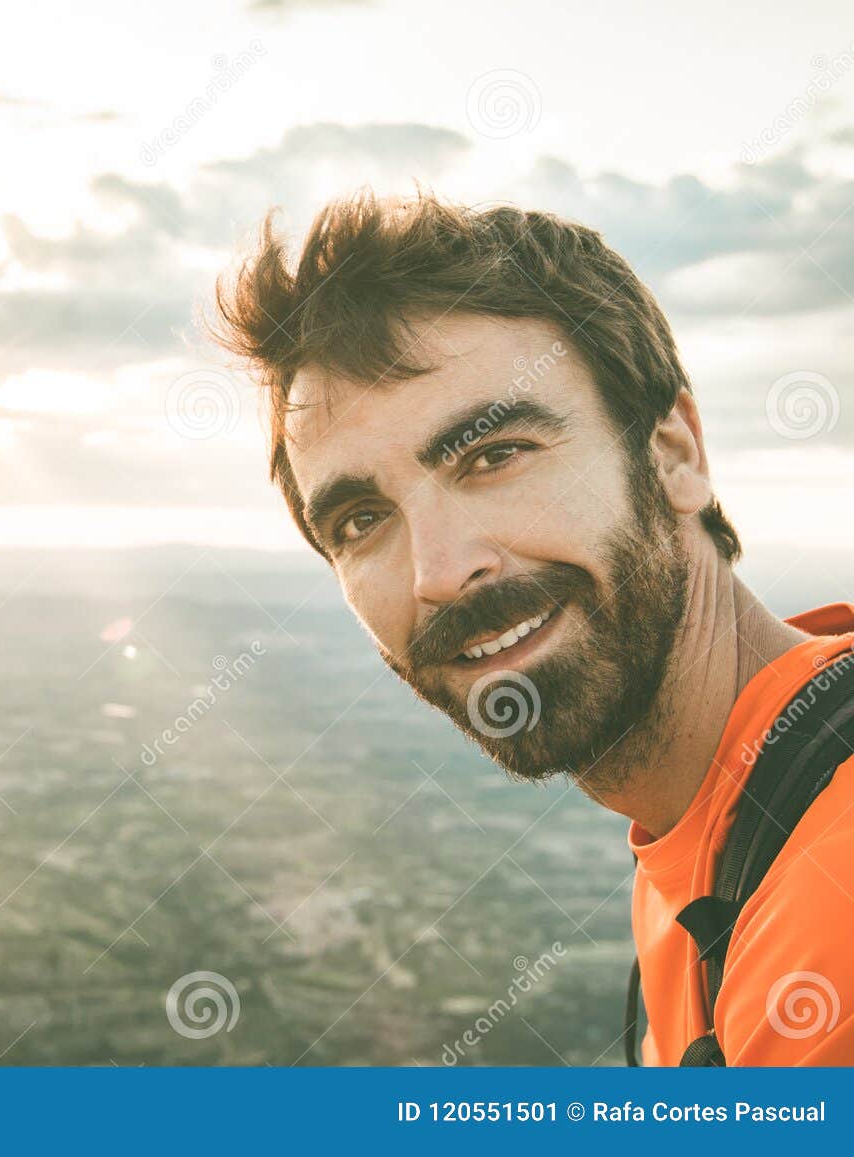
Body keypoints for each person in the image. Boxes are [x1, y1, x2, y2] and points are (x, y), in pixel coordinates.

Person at [209, 189, 854, 1065]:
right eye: (361, 519)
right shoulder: (722, 820)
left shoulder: (830, 910)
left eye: (493, 454)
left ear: (673, 453)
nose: (439, 572)